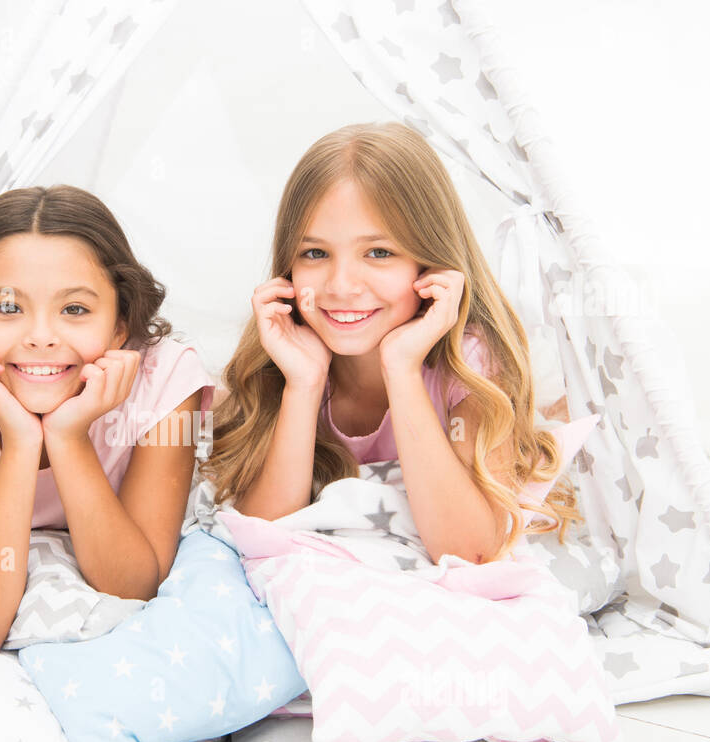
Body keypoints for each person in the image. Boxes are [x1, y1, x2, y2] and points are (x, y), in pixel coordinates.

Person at [202, 122, 578, 564]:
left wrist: (401, 369)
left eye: (379, 253)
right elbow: (262, 537)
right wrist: (303, 386)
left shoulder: (470, 364)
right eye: (315, 253)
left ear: (430, 262)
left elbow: (470, 550)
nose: (341, 286)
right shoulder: (286, 360)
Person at [0, 185, 214, 652]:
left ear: (118, 324)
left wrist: (69, 438)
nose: (41, 337)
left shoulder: (169, 381)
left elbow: (133, 585)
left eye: (74, 309)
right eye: (8, 308)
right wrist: (21, 442)